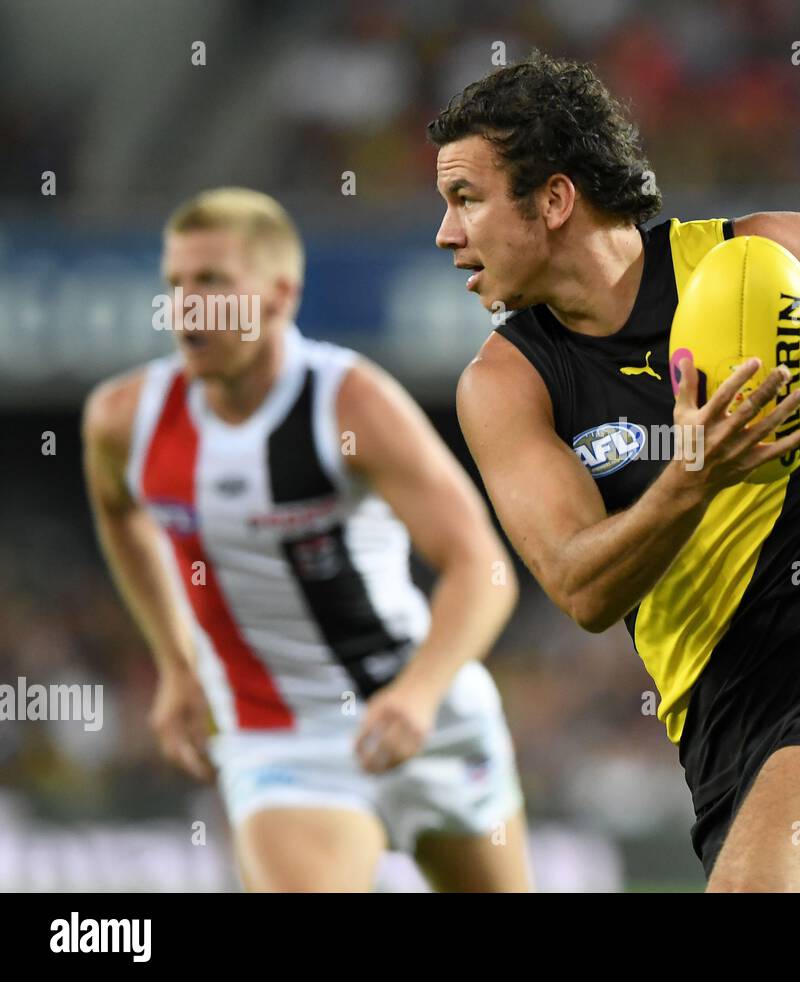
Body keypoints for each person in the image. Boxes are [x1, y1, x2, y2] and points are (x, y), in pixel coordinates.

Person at [433, 53, 800, 892]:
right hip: (722, 757)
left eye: (467, 199)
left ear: (555, 199)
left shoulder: (766, 256)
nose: (446, 233)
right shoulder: (505, 384)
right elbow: (581, 589)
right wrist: (692, 477)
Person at [83, 188, 530, 892]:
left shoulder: (349, 402)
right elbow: (120, 514)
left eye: (212, 282)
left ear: (278, 294)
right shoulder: (122, 422)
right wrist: (175, 660)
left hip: (429, 715)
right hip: (280, 739)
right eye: (174, 282)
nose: (186, 305)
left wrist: (417, 694)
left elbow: (482, 568)